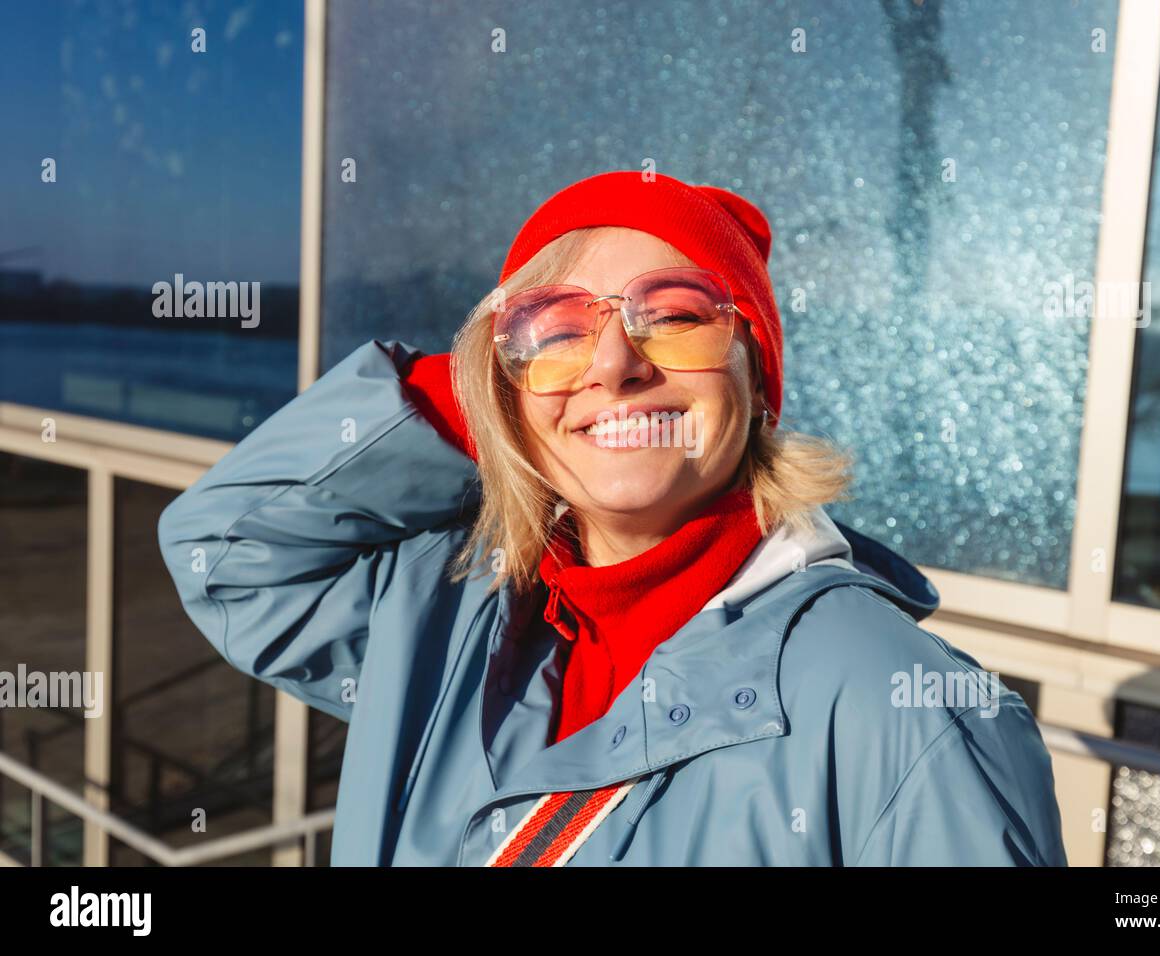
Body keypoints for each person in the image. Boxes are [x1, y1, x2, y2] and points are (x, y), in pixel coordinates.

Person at [158, 169, 1068, 866]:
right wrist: (483, 390)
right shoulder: (453, 608)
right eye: (555, 332)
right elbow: (226, 552)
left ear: (757, 384)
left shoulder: (898, 705)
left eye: (673, 317)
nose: (613, 365)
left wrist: (543, 377)